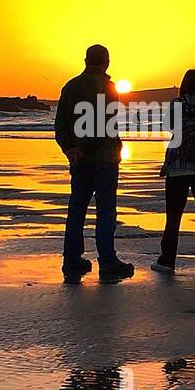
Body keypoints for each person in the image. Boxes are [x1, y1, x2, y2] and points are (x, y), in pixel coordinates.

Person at [54, 44, 135, 283]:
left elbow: (60, 125)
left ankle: (72, 259)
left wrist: (70, 149)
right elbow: (105, 126)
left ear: (85, 60)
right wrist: (81, 149)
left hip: (79, 160)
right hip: (104, 158)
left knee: (77, 209)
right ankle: (107, 261)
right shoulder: (108, 88)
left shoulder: (70, 87)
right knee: (105, 211)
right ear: (106, 62)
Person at [153, 68, 195, 277]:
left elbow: (169, 127)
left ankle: (167, 260)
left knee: (173, 216)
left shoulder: (176, 104)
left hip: (178, 165)